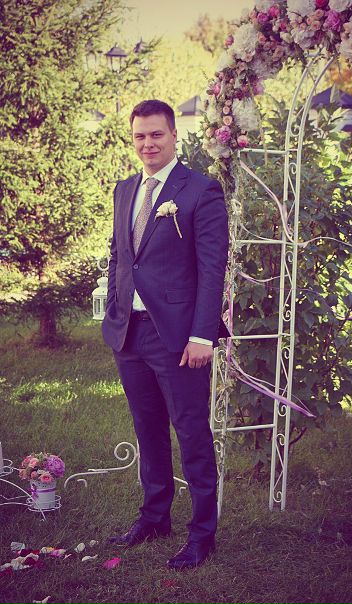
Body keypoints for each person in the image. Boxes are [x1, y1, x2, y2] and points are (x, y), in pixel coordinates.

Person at [102, 99, 229, 570]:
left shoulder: (200, 190)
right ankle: (155, 517)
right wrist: (115, 310)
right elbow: (120, 256)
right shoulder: (124, 190)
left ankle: (202, 534)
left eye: (156, 134)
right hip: (129, 335)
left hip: (178, 339)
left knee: (191, 433)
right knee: (147, 430)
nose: (148, 144)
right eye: (140, 136)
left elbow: (212, 269)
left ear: (174, 135)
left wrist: (202, 335)